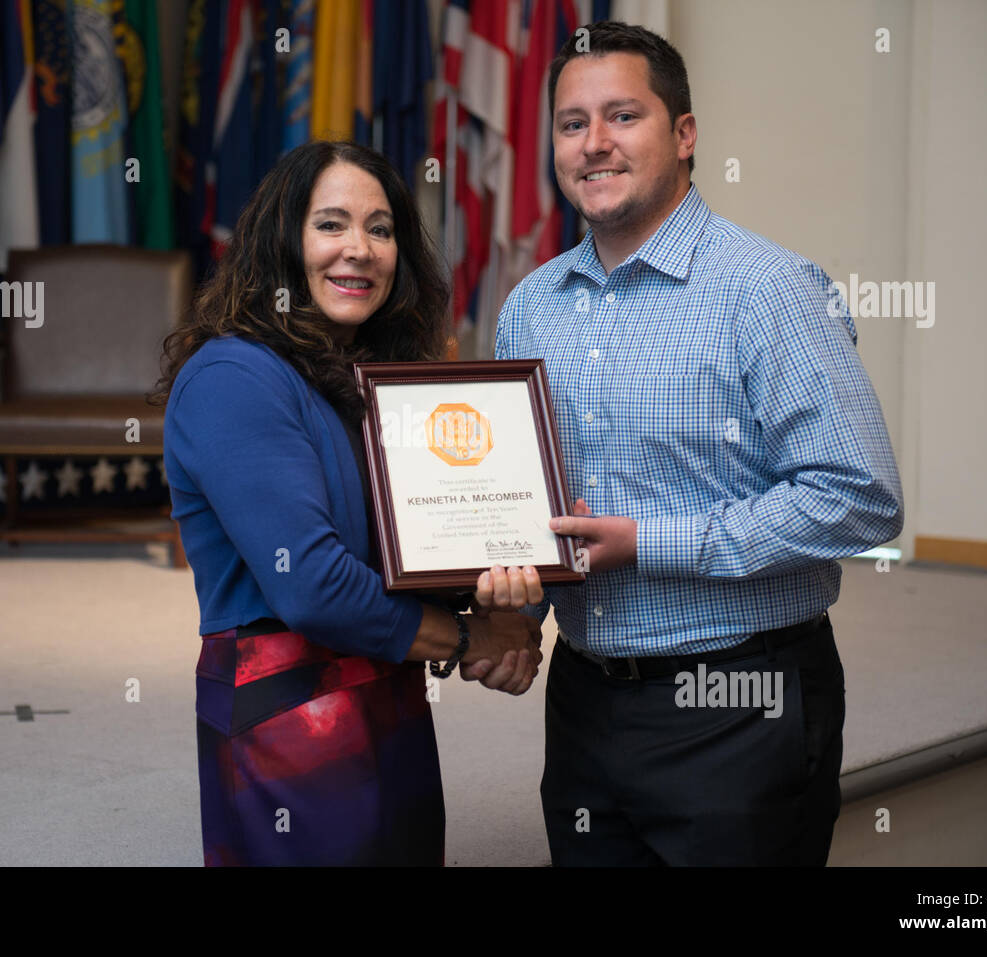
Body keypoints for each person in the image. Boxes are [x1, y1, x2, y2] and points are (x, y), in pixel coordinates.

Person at [479, 22, 904, 865]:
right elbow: (527, 501)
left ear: (684, 135)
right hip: (584, 700)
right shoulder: (529, 307)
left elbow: (859, 495)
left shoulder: (771, 291)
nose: (593, 143)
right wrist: (511, 610)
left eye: (622, 116)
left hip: (739, 705)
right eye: (571, 123)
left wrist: (647, 544)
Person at [151, 141, 543, 866]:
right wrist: (468, 639)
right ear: (281, 242)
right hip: (289, 716)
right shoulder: (232, 377)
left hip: (388, 694)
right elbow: (314, 585)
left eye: (381, 229)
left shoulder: (376, 383)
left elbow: (408, 550)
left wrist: (505, 592)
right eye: (330, 224)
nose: (358, 250)